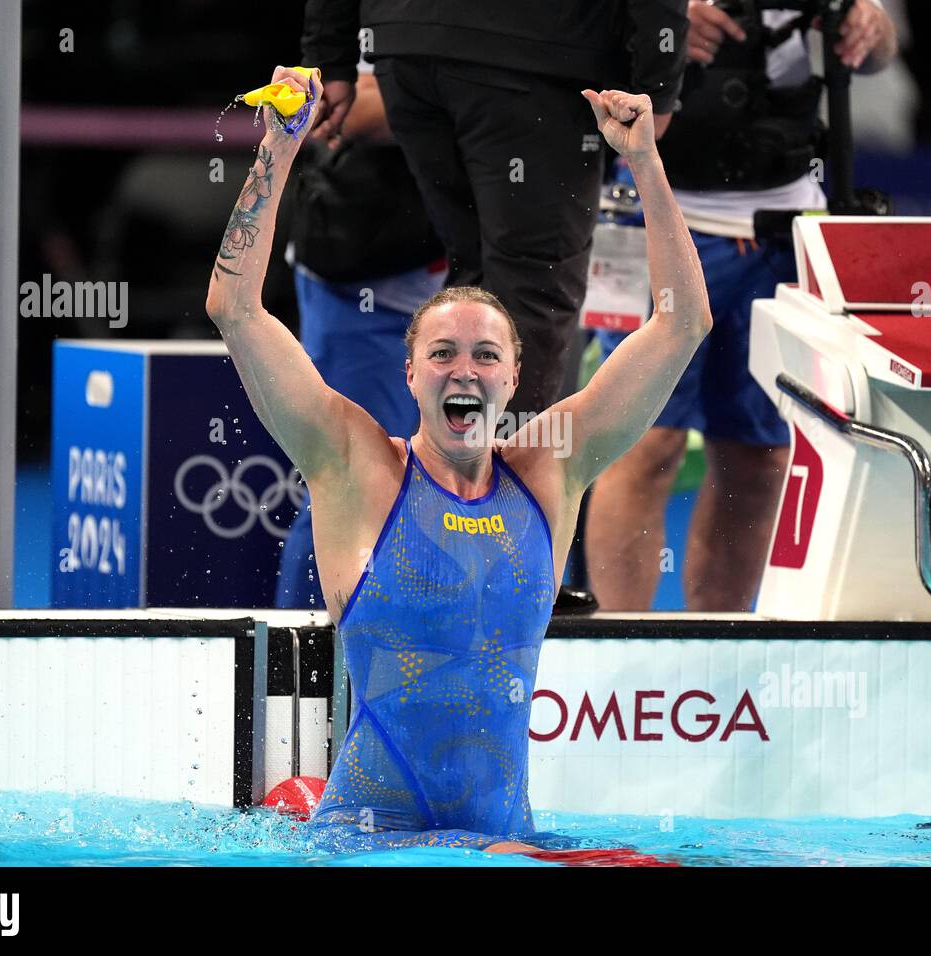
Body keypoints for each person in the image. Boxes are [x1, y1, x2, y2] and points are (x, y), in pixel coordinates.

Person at [207, 69, 712, 852]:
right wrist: (279, 146)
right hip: (368, 846)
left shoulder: (551, 469)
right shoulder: (354, 465)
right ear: (409, 373)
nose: (464, 371)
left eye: (485, 354)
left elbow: (681, 326)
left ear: (515, 376)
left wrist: (643, 160)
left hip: (510, 845)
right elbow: (234, 308)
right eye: (442, 353)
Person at [586, 0, 898, 612]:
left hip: (782, 224)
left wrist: (872, 28)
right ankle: (619, 645)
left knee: (758, 457)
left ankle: (719, 643)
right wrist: (660, 28)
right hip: (656, 213)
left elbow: (879, 48)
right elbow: (573, 42)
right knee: (644, 445)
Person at [299, 0, 688, 421]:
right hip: (539, 59)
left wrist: (329, 59)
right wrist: (657, 89)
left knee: (476, 277)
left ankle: (457, 473)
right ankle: (503, 481)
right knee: (530, 288)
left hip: (407, 47)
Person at [275, 65, 446, 610]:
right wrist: (482, 101)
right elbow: (342, 107)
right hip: (369, 285)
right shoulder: (369, 14)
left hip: (487, 279)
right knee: (350, 478)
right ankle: (300, 664)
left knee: (485, 483)